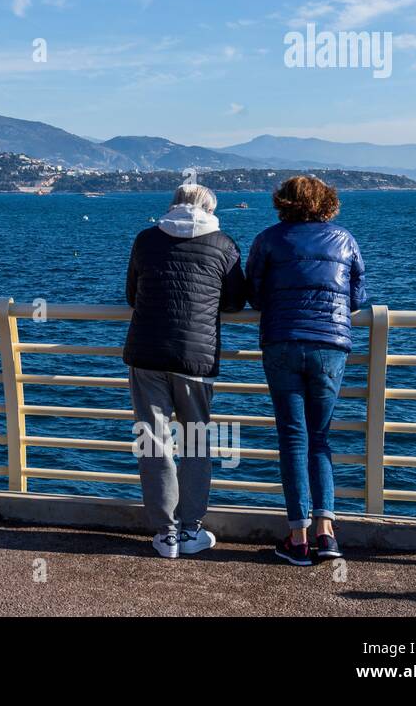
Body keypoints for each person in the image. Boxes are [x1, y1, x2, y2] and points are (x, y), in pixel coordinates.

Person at [246, 176, 367, 566]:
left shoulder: (268, 239)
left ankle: (297, 538)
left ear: (282, 202)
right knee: (320, 438)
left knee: (293, 440)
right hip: (330, 346)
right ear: (327, 202)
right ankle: (326, 534)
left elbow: (255, 294)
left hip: (282, 340)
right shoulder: (345, 240)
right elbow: (356, 296)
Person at [124, 184, 246, 559]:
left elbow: (132, 294)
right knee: (195, 442)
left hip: (147, 354)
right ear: (211, 208)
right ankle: (191, 528)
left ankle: (166, 534)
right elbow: (236, 303)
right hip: (196, 359)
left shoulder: (146, 239)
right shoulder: (224, 244)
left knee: (154, 443)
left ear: (174, 203)